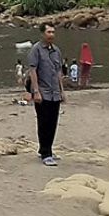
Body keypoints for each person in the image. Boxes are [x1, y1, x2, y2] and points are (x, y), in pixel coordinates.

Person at [27, 23, 65, 166]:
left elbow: (58, 72)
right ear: (43, 34)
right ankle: (45, 153)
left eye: (53, 32)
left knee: (53, 122)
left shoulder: (56, 51)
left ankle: (47, 148)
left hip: (55, 92)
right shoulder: (36, 50)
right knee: (43, 122)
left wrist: (62, 91)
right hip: (42, 92)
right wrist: (35, 91)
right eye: (49, 32)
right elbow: (32, 71)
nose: (51, 35)